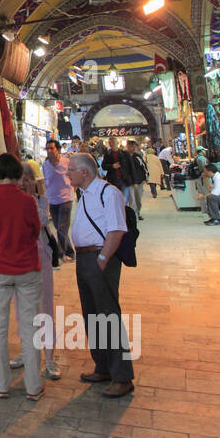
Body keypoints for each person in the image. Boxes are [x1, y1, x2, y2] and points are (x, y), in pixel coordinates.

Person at [65, 153, 135, 397]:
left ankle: (122, 376)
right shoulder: (84, 193)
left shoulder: (108, 193)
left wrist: (102, 260)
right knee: (91, 314)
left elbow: (117, 229)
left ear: (84, 172)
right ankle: (103, 366)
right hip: (84, 259)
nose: (68, 174)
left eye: (71, 170)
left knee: (108, 315)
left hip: (99, 258)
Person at [0, 153, 45, 400]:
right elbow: (35, 230)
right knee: (30, 327)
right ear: (18, 174)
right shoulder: (27, 201)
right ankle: (33, 385)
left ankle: (2, 384)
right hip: (27, 268)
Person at [18, 163, 62, 381]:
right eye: (21, 179)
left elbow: (40, 221)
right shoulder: (14, 203)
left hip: (40, 257)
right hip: (19, 260)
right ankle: (26, 351)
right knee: (22, 308)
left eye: (29, 179)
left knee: (45, 307)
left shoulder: (41, 201)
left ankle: (50, 356)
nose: (25, 183)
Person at [40, 139, 74, 261]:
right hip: (52, 200)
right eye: (47, 148)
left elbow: (73, 176)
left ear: (58, 150)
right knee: (59, 227)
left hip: (66, 199)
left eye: (52, 148)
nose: (49, 151)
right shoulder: (45, 165)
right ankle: (70, 252)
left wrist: (73, 189)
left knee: (62, 228)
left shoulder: (66, 162)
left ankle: (60, 254)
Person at [125, 140, 148, 220]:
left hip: (139, 181)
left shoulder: (138, 157)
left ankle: (138, 213)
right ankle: (133, 216)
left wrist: (145, 178)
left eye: (135, 146)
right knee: (132, 200)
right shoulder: (124, 156)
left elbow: (144, 167)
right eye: (132, 146)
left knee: (138, 199)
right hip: (129, 182)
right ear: (128, 146)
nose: (134, 148)